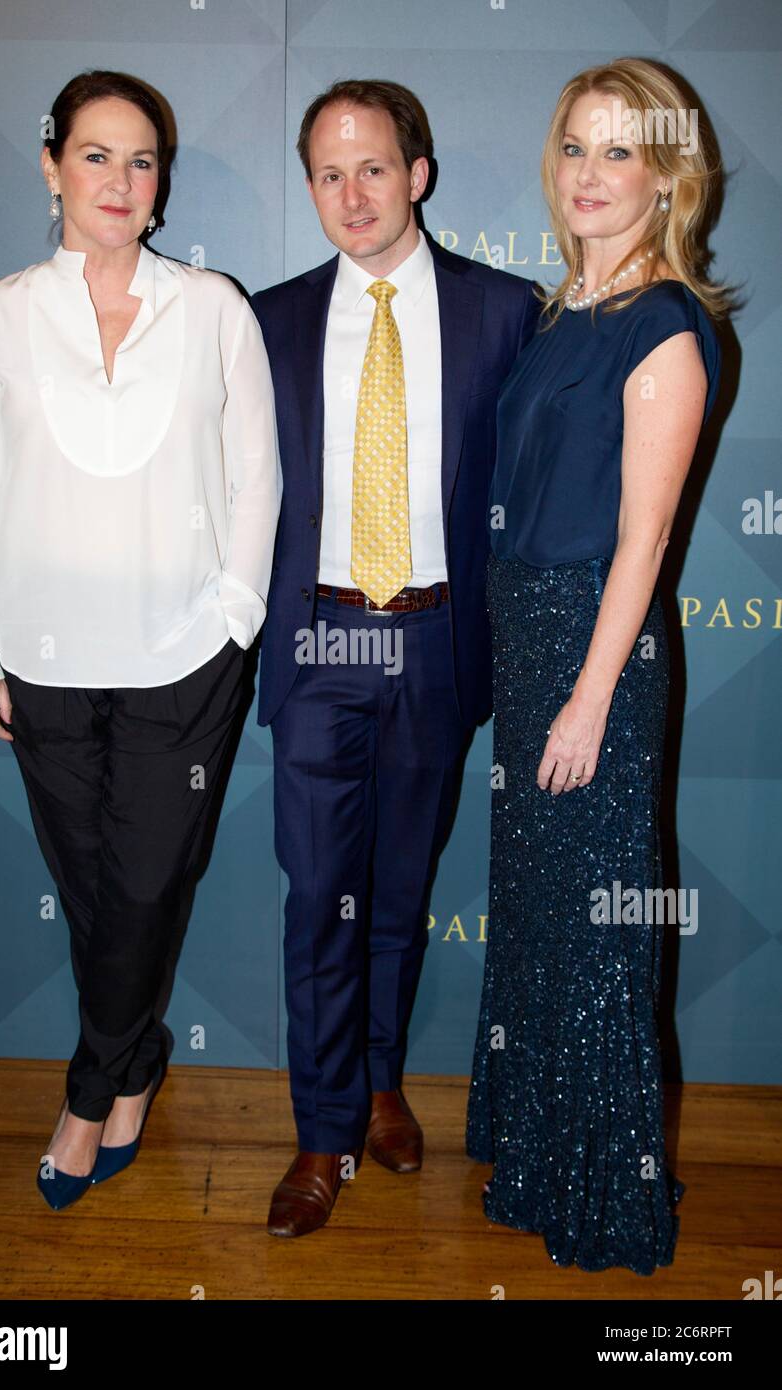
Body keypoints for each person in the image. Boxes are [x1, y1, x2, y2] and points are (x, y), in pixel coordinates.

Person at [0, 70, 281, 1210]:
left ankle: (89, 1093)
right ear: (51, 166)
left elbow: (256, 480)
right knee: (92, 890)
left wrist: (232, 616)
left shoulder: (213, 307)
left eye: (142, 161)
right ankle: (137, 1062)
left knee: (142, 883)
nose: (121, 181)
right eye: (96, 155)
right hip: (38, 657)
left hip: (182, 661)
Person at [251, 79, 540, 1237]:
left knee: (399, 895)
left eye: (373, 167)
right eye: (328, 171)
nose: (352, 193)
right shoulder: (264, 319)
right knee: (318, 895)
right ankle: (320, 1136)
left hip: (433, 638)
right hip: (319, 634)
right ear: (310, 187)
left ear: (416, 175)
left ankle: (378, 1083)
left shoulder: (505, 309)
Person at [466, 57, 730, 1274]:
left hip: (595, 654)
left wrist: (583, 698)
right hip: (528, 640)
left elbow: (642, 542)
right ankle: (532, 1155)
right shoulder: (554, 309)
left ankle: (599, 1192)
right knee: (535, 918)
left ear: (666, 174)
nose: (588, 172)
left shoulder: (667, 325)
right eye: (575, 145)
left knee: (589, 933)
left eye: (618, 150)